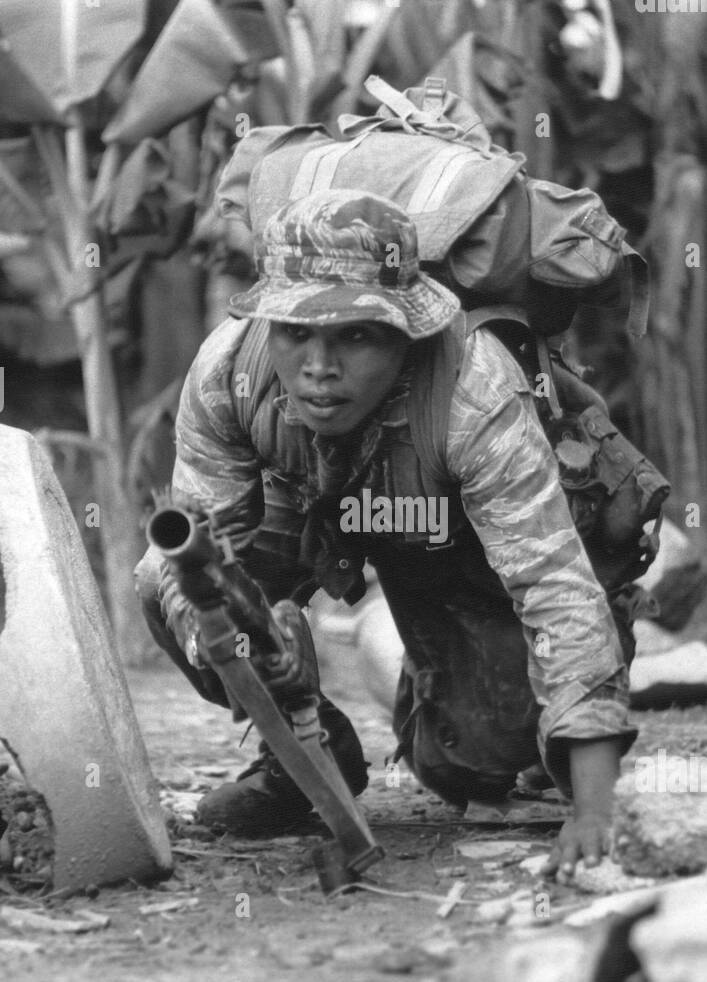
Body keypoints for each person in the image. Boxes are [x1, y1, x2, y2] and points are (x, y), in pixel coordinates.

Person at [135, 188, 638, 877]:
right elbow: (202, 544)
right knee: (162, 581)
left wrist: (595, 810)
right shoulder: (229, 371)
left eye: (355, 335)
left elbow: (554, 584)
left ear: (406, 331)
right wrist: (244, 652)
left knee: (466, 763)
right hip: (311, 505)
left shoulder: (473, 392)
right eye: (295, 332)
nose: (319, 366)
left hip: (454, 541)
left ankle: (452, 692)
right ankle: (302, 759)